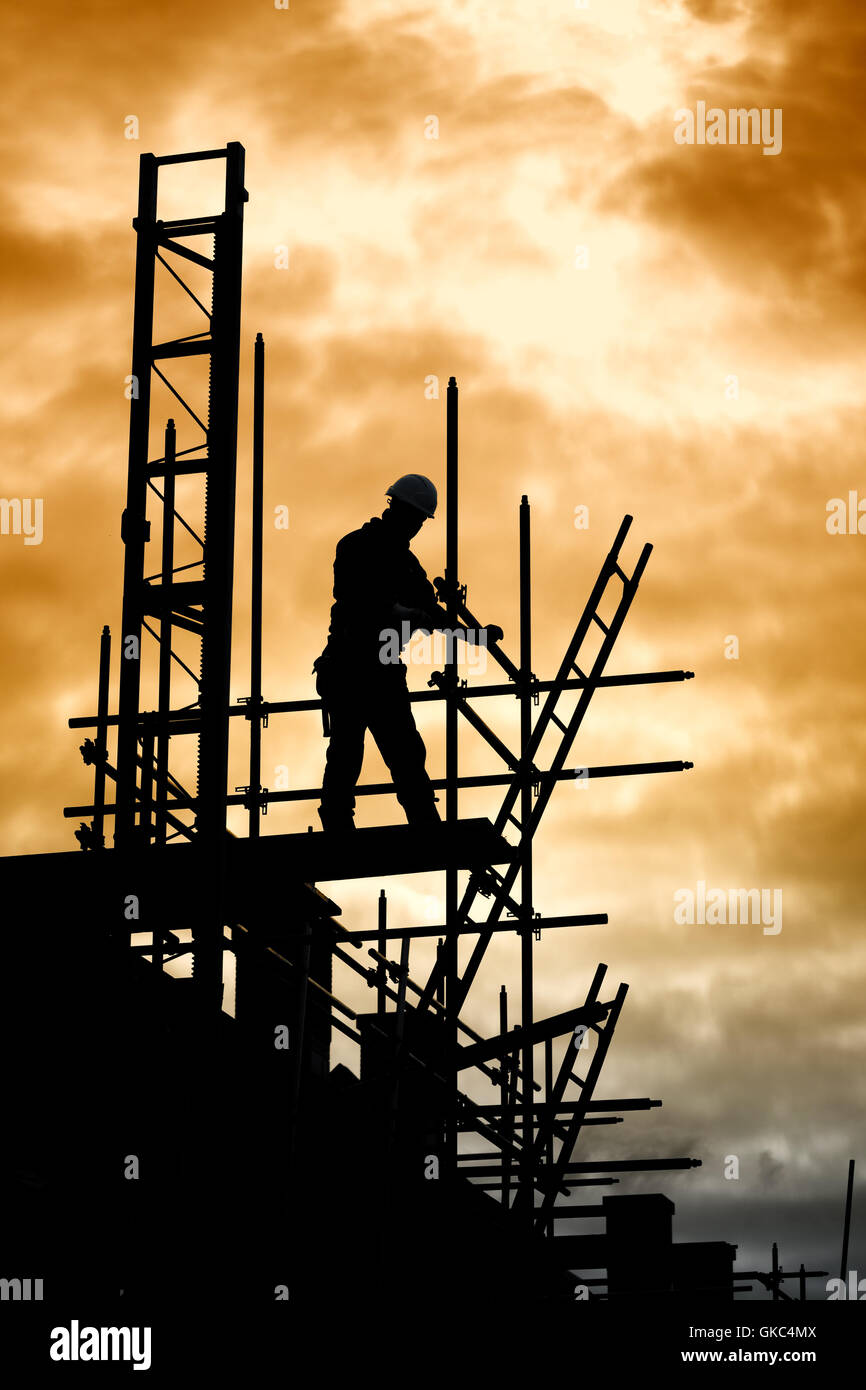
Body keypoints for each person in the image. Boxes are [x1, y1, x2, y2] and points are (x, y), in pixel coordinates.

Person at [313, 474, 502, 833]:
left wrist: (473, 637)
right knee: (347, 750)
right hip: (349, 664)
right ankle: (337, 823)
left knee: (406, 752)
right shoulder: (357, 545)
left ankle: (423, 823)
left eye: (419, 521)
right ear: (394, 509)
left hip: (384, 668)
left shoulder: (409, 565)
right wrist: (397, 611)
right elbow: (350, 594)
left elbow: (432, 615)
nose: (415, 527)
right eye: (412, 517)